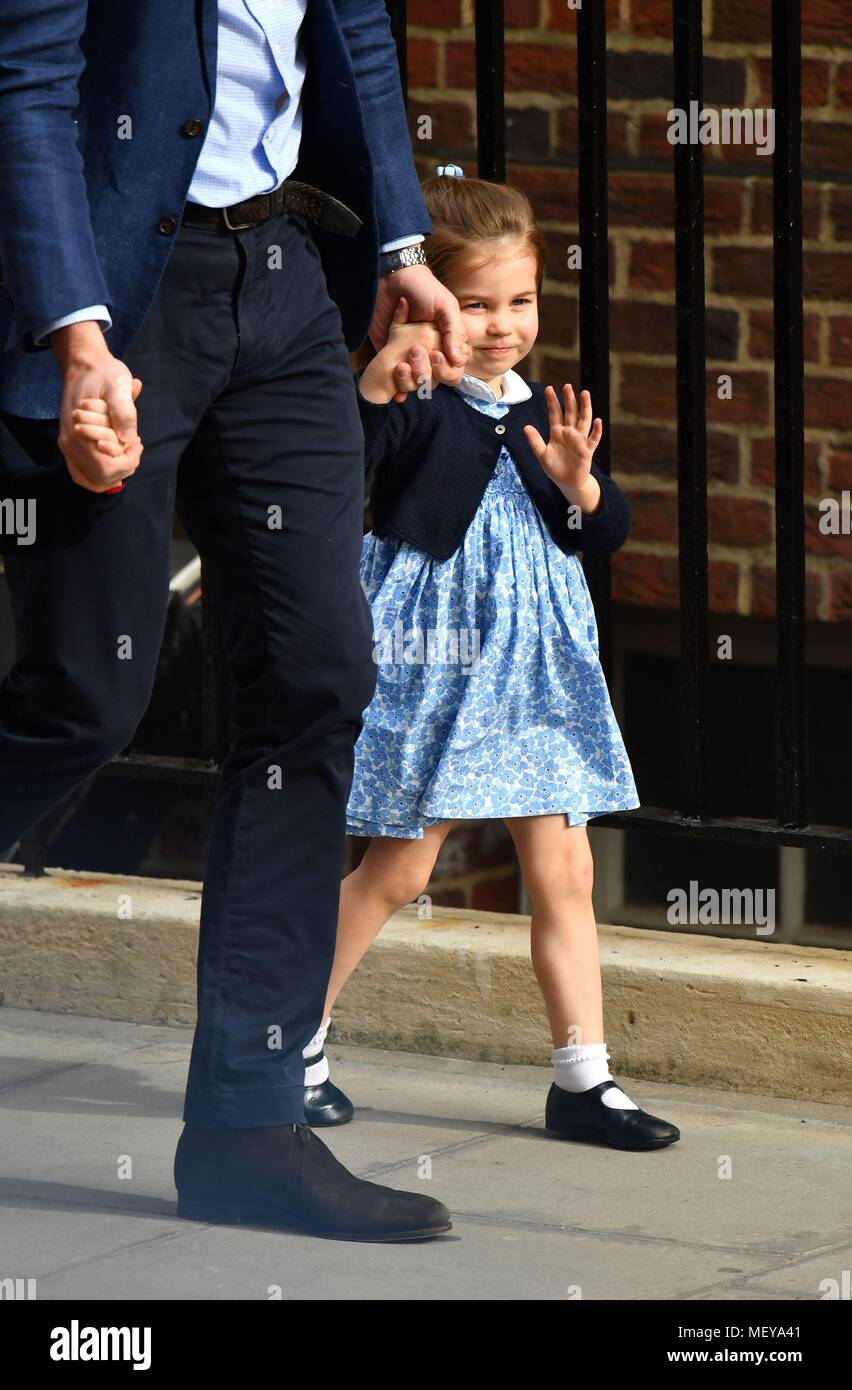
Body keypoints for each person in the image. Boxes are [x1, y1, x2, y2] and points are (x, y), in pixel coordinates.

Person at [0, 1, 468, 1241]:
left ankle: (252, 1127)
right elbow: (31, 79)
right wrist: (75, 337)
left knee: (318, 680)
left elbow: (358, 30)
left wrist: (400, 243)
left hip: (285, 288)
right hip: (117, 301)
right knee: (86, 696)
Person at [304, 170, 680, 1152]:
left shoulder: (536, 409)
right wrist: (374, 391)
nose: (502, 324)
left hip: (538, 665)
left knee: (563, 865)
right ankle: (287, 1043)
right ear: (430, 301)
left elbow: (602, 538)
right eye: (476, 303)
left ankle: (583, 1079)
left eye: (520, 301)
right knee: (398, 868)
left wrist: (580, 488)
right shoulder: (416, 396)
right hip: (434, 652)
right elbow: (340, 477)